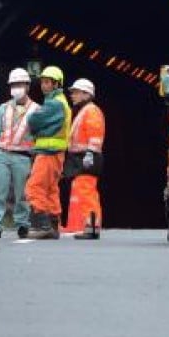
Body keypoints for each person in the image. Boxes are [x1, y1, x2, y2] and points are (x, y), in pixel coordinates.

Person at [0, 68, 37, 240]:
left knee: (23, 194)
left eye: (19, 84)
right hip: (2, 155)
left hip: (23, 157)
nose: (16, 88)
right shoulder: (3, 108)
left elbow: (39, 135)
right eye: (13, 85)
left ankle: (22, 224)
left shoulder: (37, 110)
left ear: (27, 86)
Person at [25, 66, 71, 240]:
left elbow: (34, 120)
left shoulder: (54, 104)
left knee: (35, 186)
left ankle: (41, 225)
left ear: (56, 84)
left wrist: (34, 121)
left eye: (47, 82)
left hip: (48, 152)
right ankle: (53, 223)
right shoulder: (61, 101)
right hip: (56, 153)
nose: (43, 86)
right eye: (42, 82)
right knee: (51, 189)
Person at [64, 78, 105, 239]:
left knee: (86, 192)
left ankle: (92, 227)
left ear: (86, 94)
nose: (72, 95)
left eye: (75, 92)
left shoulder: (91, 111)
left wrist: (90, 154)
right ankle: (83, 225)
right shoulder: (85, 110)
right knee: (82, 191)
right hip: (81, 157)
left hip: (87, 157)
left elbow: (95, 136)